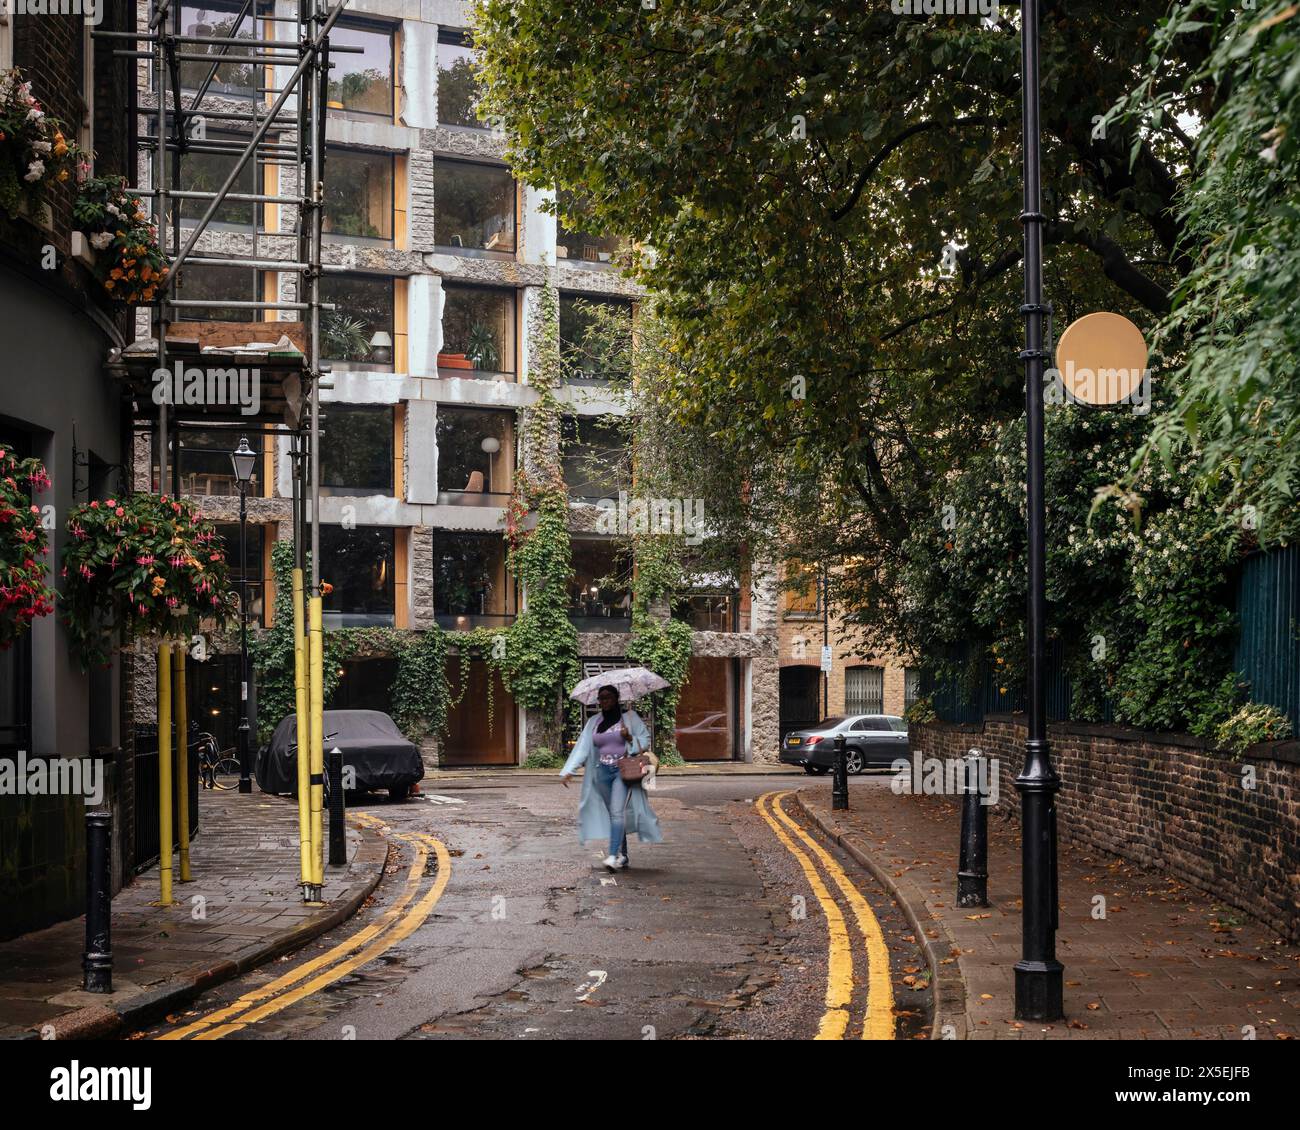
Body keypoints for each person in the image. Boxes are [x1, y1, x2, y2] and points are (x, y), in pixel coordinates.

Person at [559, 685, 662, 871]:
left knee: (616, 812)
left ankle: (613, 855)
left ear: (616, 698)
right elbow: (583, 747)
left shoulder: (630, 717)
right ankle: (623, 855)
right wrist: (570, 770)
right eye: (601, 698)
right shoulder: (594, 722)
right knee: (614, 814)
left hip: (621, 772)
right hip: (601, 773)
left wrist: (629, 738)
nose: (604, 701)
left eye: (608, 697)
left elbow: (645, 741)